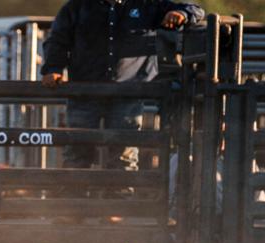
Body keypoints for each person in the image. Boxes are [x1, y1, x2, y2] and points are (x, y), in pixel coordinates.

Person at [40, 0, 203, 171]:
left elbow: (195, 10)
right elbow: (58, 40)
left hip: (127, 93)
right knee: (78, 149)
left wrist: (183, 14)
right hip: (86, 92)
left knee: (123, 153)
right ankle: (74, 195)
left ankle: (121, 195)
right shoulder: (77, 7)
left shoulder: (147, 5)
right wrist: (53, 68)